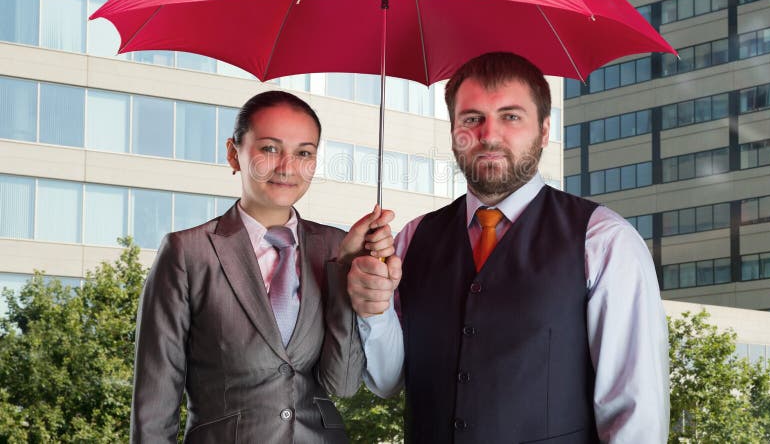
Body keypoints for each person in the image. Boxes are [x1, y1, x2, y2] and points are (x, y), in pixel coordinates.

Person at [347, 53, 669, 443]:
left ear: (545, 130)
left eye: (511, 116)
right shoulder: (412, 238)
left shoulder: (603, 240)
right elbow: (387, 381)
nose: (489, 135)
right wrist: (374, 309)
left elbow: (635, 414)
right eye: (472, 119)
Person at [131, 90, 394, 443]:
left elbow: (342, 383)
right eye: (270, 149)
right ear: (233, 153)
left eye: (304, 153)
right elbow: (154, 405)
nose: (287, 167)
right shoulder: (188, 253)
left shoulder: (337, 248)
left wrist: (347, 270)